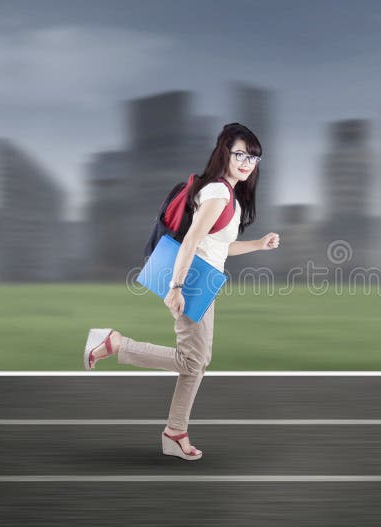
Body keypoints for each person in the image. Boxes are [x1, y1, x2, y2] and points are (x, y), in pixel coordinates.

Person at [82, 123, 279, 460]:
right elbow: (190, 241)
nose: (247, 162)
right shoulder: (218, 193)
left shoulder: (227, 194)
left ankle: (175, 431)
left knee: (198, 362)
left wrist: (258, 245)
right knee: (192, 360)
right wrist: (175, 287)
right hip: (191, 279)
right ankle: (114, 343)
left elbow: (218, 248)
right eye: (240, 155)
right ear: (224, 154)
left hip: (204, 278)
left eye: (253, 157)